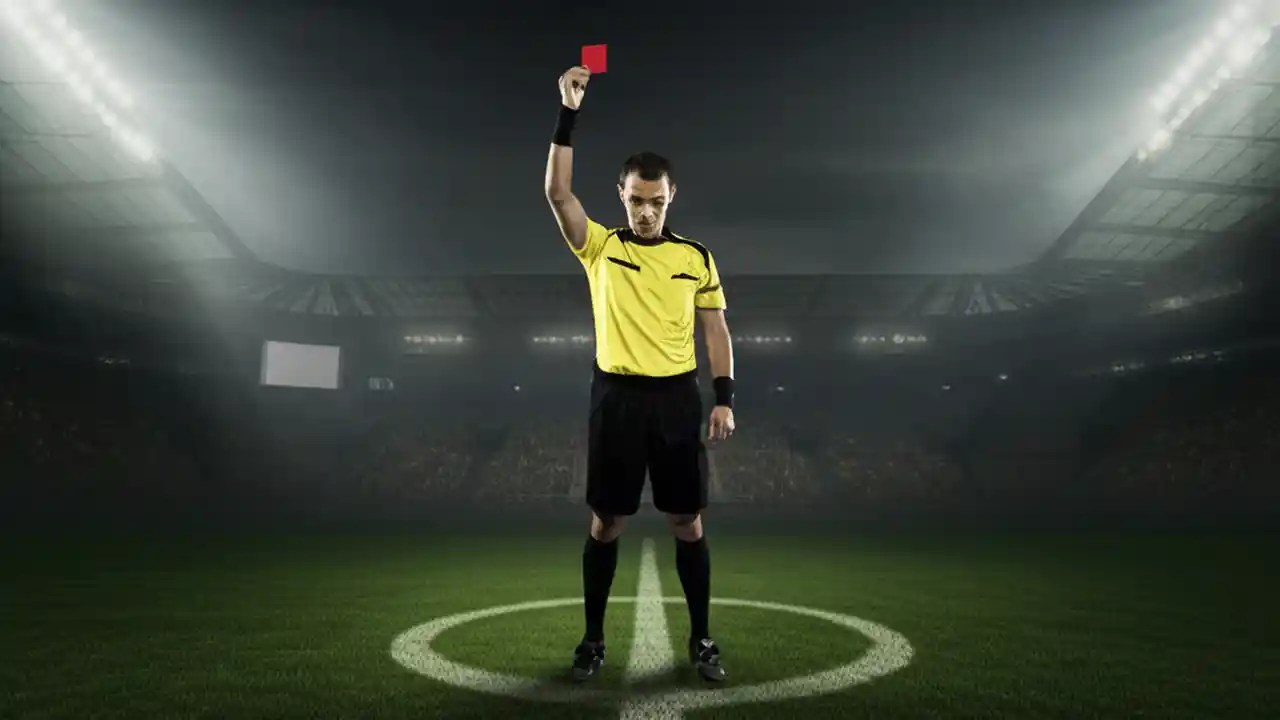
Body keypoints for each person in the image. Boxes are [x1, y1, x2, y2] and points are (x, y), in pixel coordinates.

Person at [544, 65, 736, 683]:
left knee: (687, 520)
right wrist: (568, 112)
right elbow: (558, 194)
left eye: (656, 201)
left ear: (671, 196)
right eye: (635, 200)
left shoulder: (696, 257)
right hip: (617, 396)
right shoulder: (600, 247)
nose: (646, 211)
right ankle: (593, 640)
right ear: (620, 195)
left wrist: (724, 397)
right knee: (606, 523)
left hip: (678, 398)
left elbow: (715, 330)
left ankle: (702, 639)